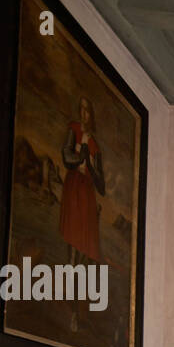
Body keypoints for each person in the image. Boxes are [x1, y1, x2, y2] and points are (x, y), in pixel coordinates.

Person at [59, 96, 105, 265]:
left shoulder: (95, 146)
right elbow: (66, 156)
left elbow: (102, 187)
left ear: (91, 115)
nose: (83, 113)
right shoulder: (74, 129)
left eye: (87, 110)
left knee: (82, 233)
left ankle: (76, 271)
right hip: (74, 185)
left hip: (87, 191)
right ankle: (70, 268)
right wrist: (80, 158)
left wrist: (91, 167)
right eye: (81, 109)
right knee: (72, 230)